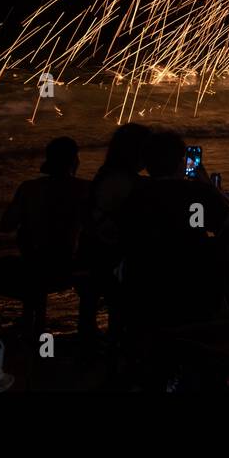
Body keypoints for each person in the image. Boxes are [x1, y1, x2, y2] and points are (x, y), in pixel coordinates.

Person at [121, 130, 229, 334]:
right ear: (181, 162)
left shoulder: (136, 195)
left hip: (145, 288)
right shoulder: (199, 193)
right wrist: (208, 185)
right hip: (193, 288)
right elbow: (228, 222)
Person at [0, 136, 90, 331]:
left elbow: (6, 225)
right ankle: (47, 324)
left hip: (34, 263)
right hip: (65, 264)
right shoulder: (84, 189)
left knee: (16, 264)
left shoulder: (29, 188)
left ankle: (31, 320)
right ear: (74, 160)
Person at [78, 122, 150, 339]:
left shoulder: (108, 174)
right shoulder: (125, 182)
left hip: (93, 254)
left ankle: (96, 344)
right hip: (105, 259)